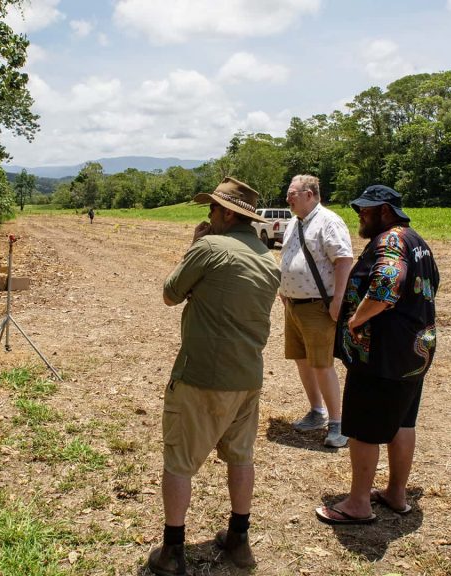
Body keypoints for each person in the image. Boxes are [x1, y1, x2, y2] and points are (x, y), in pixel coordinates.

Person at [148, 177, 281, 576]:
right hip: (248, 377)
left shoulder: (208, 248)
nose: (207, 215)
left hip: (201, 375)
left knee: (179, 461)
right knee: (240, 457)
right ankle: (239, 540)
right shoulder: (266, 258)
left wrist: (193, 245)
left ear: (227, 213)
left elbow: (171, 293)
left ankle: (173, 551)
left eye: (212, 209)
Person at [315, 184, 439, 525]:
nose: (360, 217)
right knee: (402, 421)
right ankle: (396, 493)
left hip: (381, 356)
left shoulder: (390, 241)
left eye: (365, 211)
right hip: (414, 353)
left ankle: (358, 504)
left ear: (385, 211)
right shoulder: (417, 242)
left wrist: (357, 317)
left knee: (366, 429)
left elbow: (386, 284)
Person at [279, 174, 354, 448]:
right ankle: (316, 412)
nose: (288, 198)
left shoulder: (328, 221)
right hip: (294, 305)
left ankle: (338, 424)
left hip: (317, 306)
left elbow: (344, 260)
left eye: (293, 193)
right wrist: (284, 289)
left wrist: (337, 301)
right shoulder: (294, 223)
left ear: (310, 194)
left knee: (322, 365)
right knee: (302, 359)